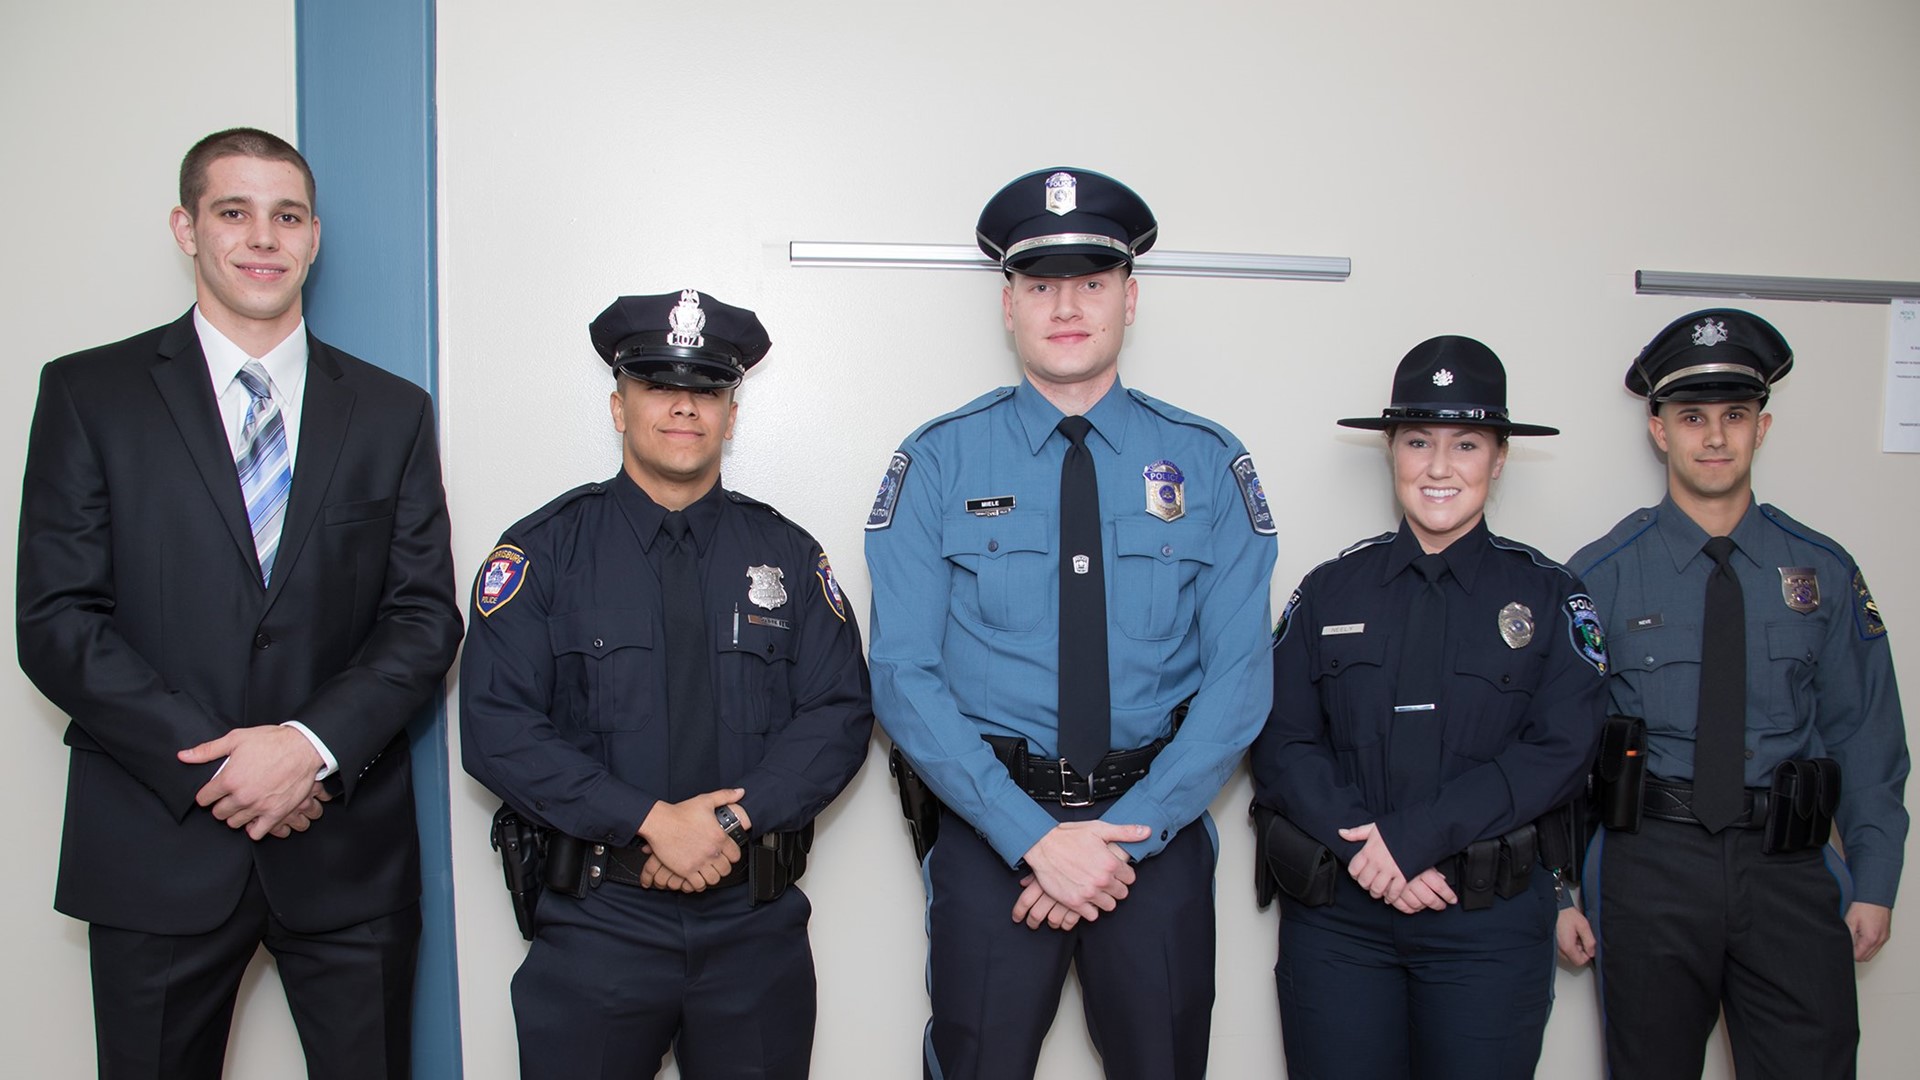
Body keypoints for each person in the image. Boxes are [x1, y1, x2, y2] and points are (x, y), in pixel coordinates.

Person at [15, 127, 463, 1078]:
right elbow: (57, 621)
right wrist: (224, 769)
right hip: (154, 846)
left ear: (312, 239)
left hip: (346, 853)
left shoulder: (392, 411)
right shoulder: (88, 394)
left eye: (287, 216)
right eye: (234, 212)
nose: (263, 237)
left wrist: (305, 750)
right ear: (187, 227)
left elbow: (422, 617)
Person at [864, 167, 1277, 1080]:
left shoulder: (1208, 465)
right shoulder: (936, 462)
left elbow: (1240, 677)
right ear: (1006, 304)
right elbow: (901, 673)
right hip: (990, 828)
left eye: (1091, 282)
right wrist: (1033, 838)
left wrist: (1126, 837)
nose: (1066, 307)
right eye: (1041, 284)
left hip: (1154, 834)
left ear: (1131, 300)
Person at [459, 290, 873, 1079]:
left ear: (732, 414)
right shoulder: (544, 553)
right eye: (658, 385)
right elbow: (496, 726)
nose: (685, 407)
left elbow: (839, 714)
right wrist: (650, 822)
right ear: (618, 407)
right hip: (597, 926)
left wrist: (728, 819)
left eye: (709, 391)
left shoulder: (785, 554)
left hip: (753, 927)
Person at [1557, 308, 1909, 1078]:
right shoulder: (1601, 576)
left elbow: (1868, 735)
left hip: (1788, 863)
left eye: (1734, 417)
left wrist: (1876, 880)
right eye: (1692, 417)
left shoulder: (1822, 572)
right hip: (1651, 862)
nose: (1715, 437)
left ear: (1763, 427)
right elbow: (1560, 748)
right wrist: (1561, 892)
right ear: (1659, 432)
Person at [1249, 336, 1607, 1079]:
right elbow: (1283, 743)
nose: (1439, 467)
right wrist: (1367, 853)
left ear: (1499, 458)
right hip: (1341, 922)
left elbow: (1561, 751)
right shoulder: (1328, 591)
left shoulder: (1549, 596)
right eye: (1418, 440)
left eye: (1466, 443)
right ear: (1391, 451)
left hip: (1488, 924)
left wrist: (1411, 840)